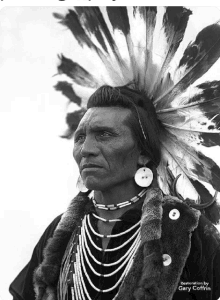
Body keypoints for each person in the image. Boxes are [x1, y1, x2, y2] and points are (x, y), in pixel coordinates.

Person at [9, 85, 220, 300]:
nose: (86, 149)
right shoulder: (60, 232)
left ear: (144, 154)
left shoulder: (188, 231)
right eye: (80, 137)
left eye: (105, 135)